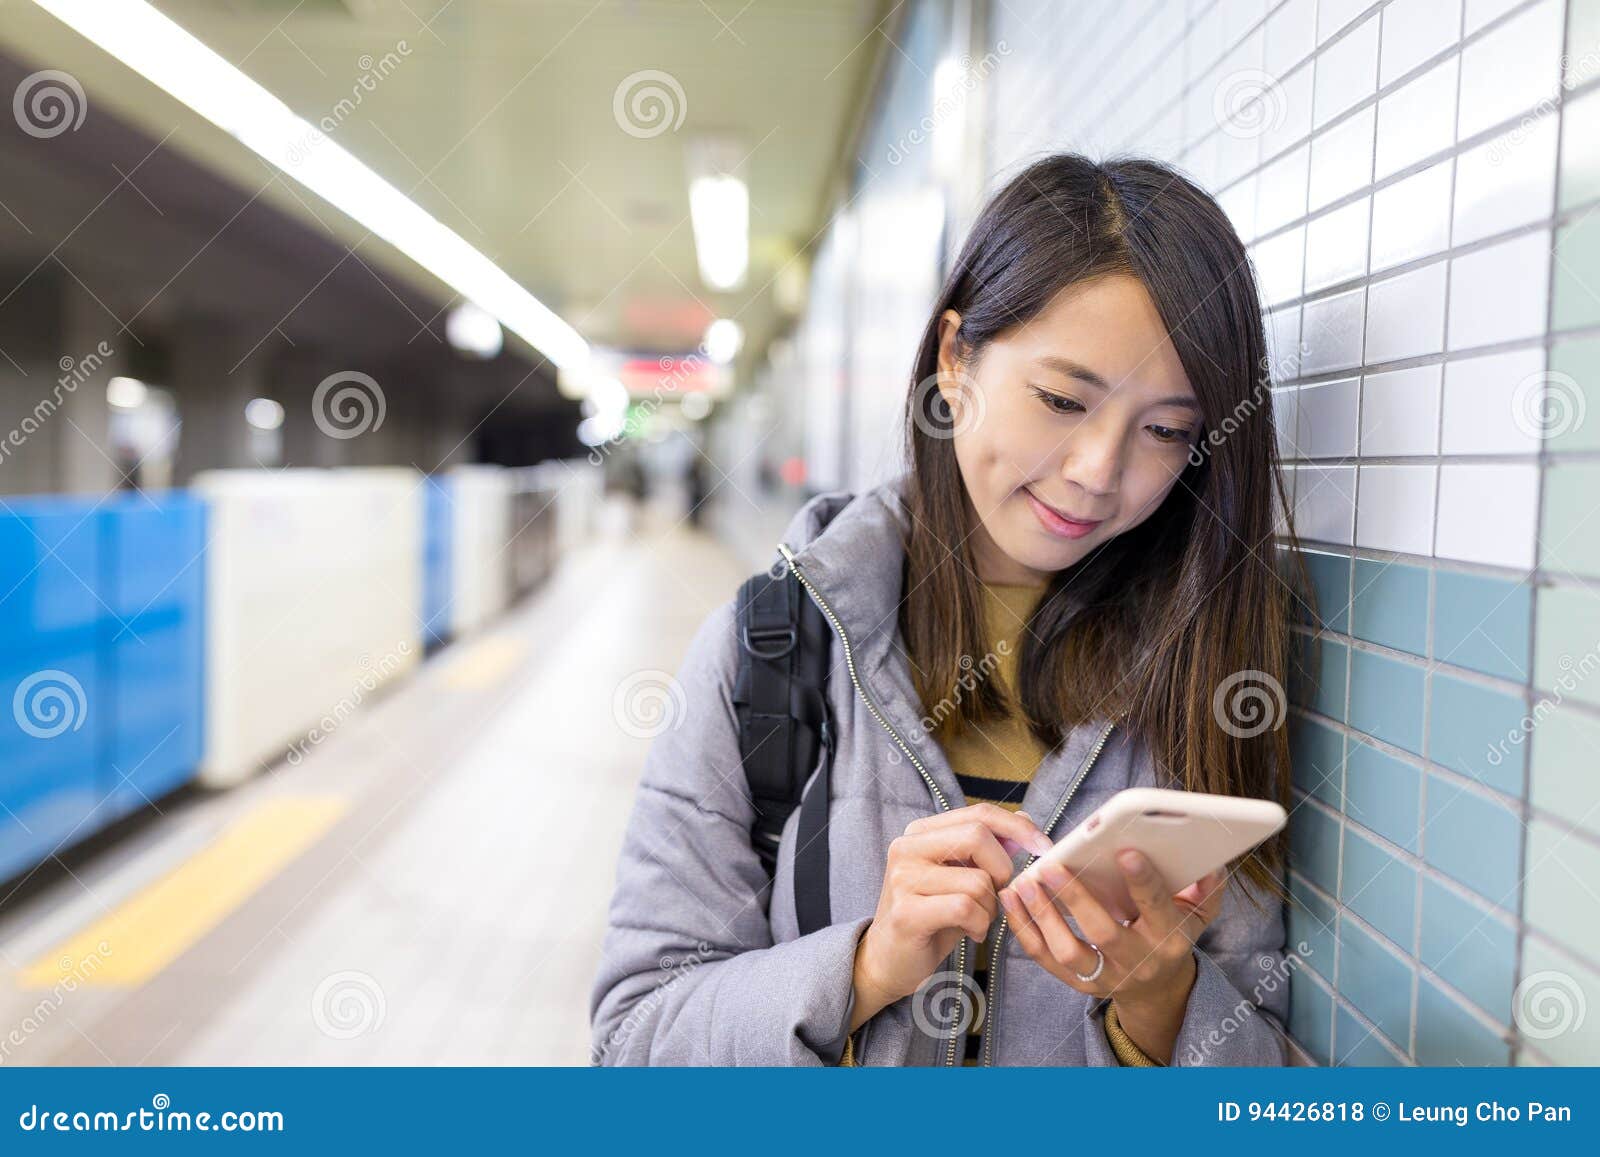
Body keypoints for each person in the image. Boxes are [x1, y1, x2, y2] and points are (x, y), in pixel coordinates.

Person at [590, 152, 1300, 1067]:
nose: (1097, 470)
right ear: (955, 358)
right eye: (1061, 399)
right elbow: (634, 1039)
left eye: (1166, 429)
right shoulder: (772, 647)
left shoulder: (1210, 671)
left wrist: (1162, 1003)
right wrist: (865, 968)